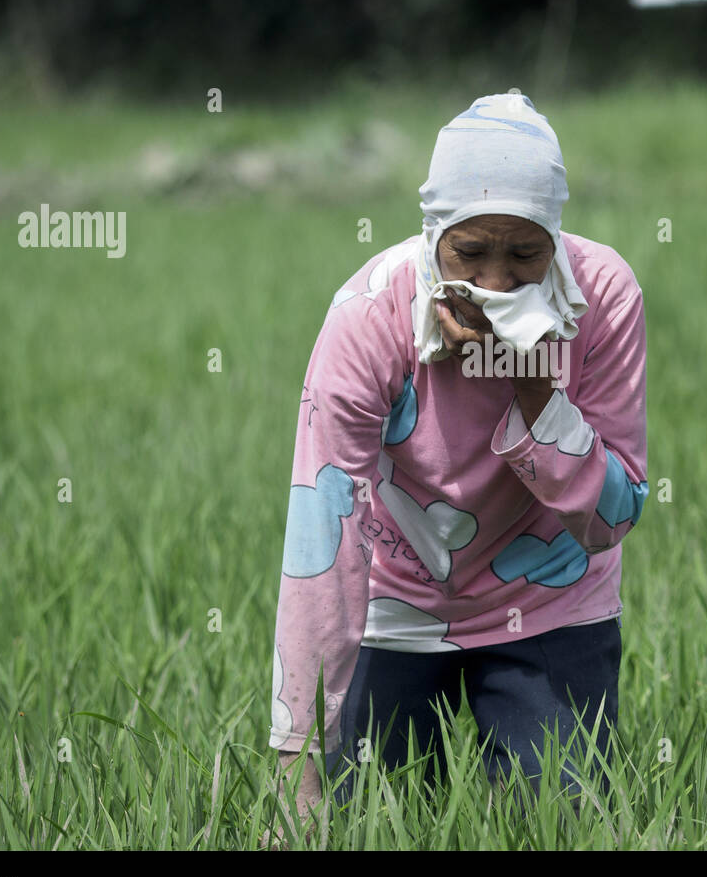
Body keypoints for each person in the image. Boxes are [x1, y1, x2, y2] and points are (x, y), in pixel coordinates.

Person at [270, 91, 647, 830]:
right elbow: (322, 537)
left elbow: (615, 515)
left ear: (557, 240)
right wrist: (301, 760)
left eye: (525, 254)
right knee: (380, 820)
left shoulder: (602, 296)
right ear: (434, 234)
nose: (497, 282)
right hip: (400, 597)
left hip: (551, 597)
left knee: (560, 817)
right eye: (471, 254)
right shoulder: (368, 317)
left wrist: (538, 392)